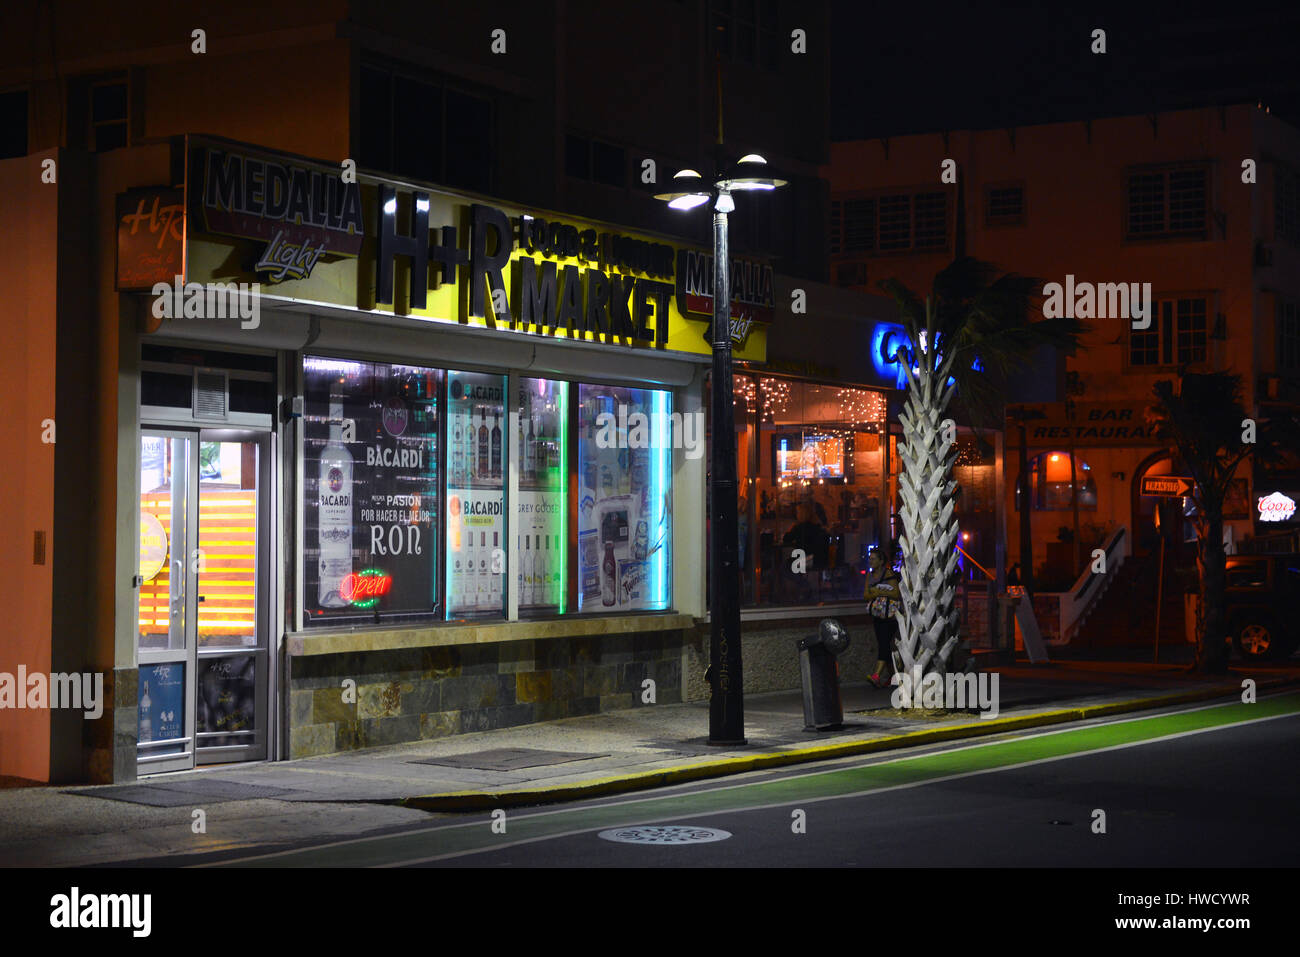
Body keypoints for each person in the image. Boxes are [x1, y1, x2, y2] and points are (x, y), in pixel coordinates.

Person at [864, 548, 902, 688]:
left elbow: (896, 594)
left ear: (881, 561)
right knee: (883, 645)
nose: (870, 561)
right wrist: (874, 593)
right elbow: (866, 595)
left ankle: (876, 675)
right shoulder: (870, 575)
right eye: (870, 558)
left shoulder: (888, 574)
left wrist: (878, 591)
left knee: (884, 644)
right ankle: (895, 677)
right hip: (877, 615)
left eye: (873, 558)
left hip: (890, 616)